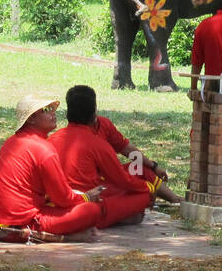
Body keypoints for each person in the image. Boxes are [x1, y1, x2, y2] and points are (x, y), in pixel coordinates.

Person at [0, 94, 105, 243]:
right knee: (91, 210)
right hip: (16, 227)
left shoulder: (12, 141)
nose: (53, 113)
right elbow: (63, 198)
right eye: (46, 109)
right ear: (32, 119)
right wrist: (86, 197)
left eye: (52, 109)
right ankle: (65, 236)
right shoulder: (43, 149)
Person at [50, 86, 157, 227]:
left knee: (133, 175)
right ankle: (114, 216)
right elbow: (122, 180)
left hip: (57, 202)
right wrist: (149, 188)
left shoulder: (51, 139)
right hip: (89, 205)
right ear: (94, 112)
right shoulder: (98, 144)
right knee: (144, 195)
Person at [85, 103, 182, 205]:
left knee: (140, 167)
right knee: (137, 206)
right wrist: (145, 188)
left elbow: (126, 149)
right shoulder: (79, 138)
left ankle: (174, 199)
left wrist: (153, 166)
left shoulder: (103, 124)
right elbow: (120, 176)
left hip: (110, 179)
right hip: (95, 188)